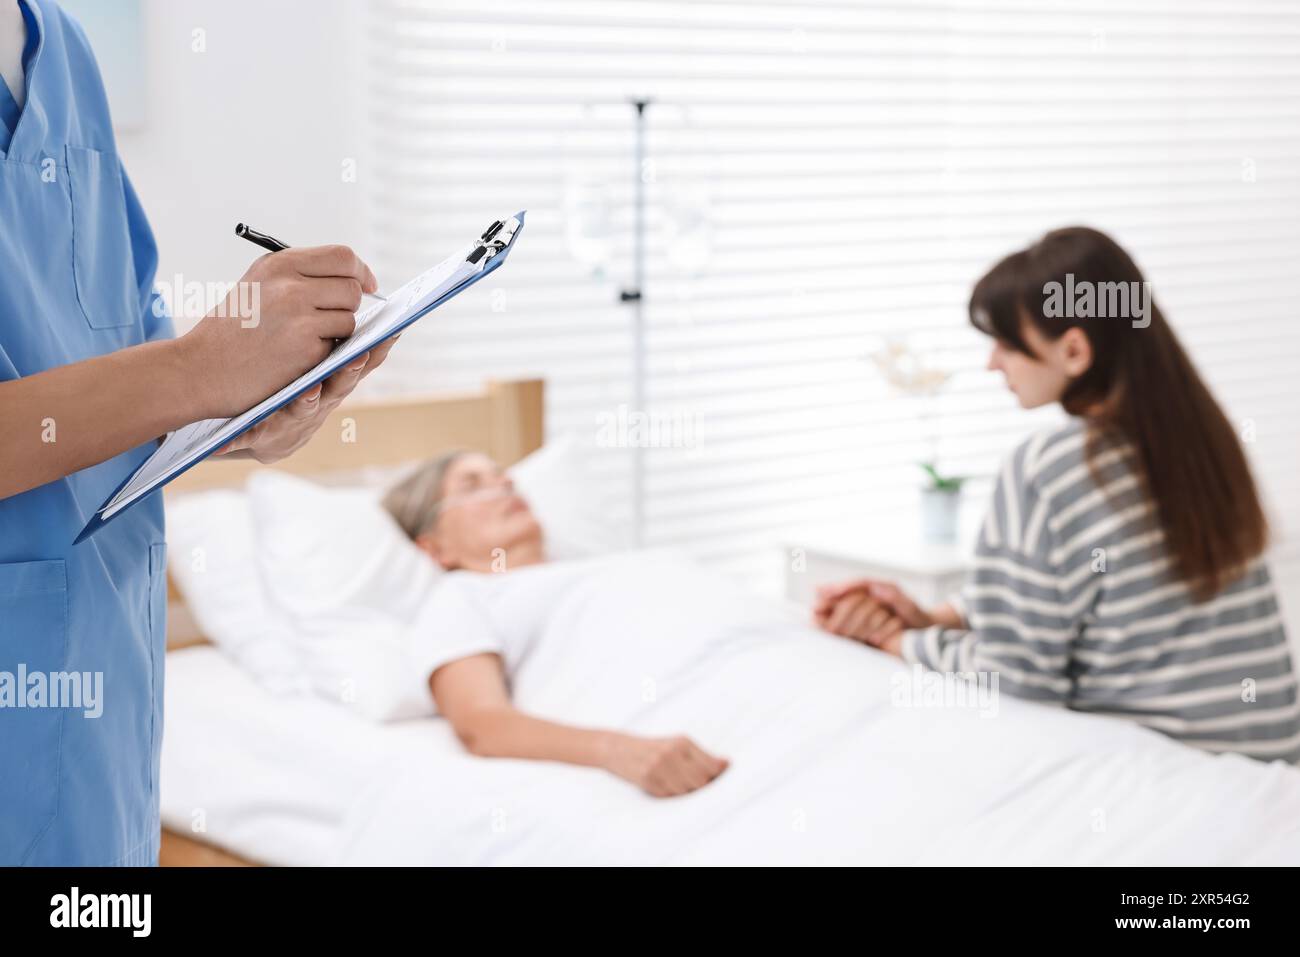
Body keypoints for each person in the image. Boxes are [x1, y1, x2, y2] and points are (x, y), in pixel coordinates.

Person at [0, 0, 395, 864]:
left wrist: (247, 414)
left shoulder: (64, 51)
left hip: (104, 713)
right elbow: (173, 371)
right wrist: (198, 371)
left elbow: (128, 369)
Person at [815, 227, 1299, 763]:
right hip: (1272, 764)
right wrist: (936, 618)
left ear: (1073, 350)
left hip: (1163, 775)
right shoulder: (1203, 443)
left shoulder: (1048, 469)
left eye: (1006, 344)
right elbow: (1101, 597)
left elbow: (1019, 683)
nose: (992, 363)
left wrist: (897, 642)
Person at [383, 451, 730, 798]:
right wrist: (618, 750)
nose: (504, 485)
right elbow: (482, 723)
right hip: (701, 729)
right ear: (435, 548)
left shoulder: (601, 569)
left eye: (502, 477)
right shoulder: (462, 597)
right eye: (472, 486)